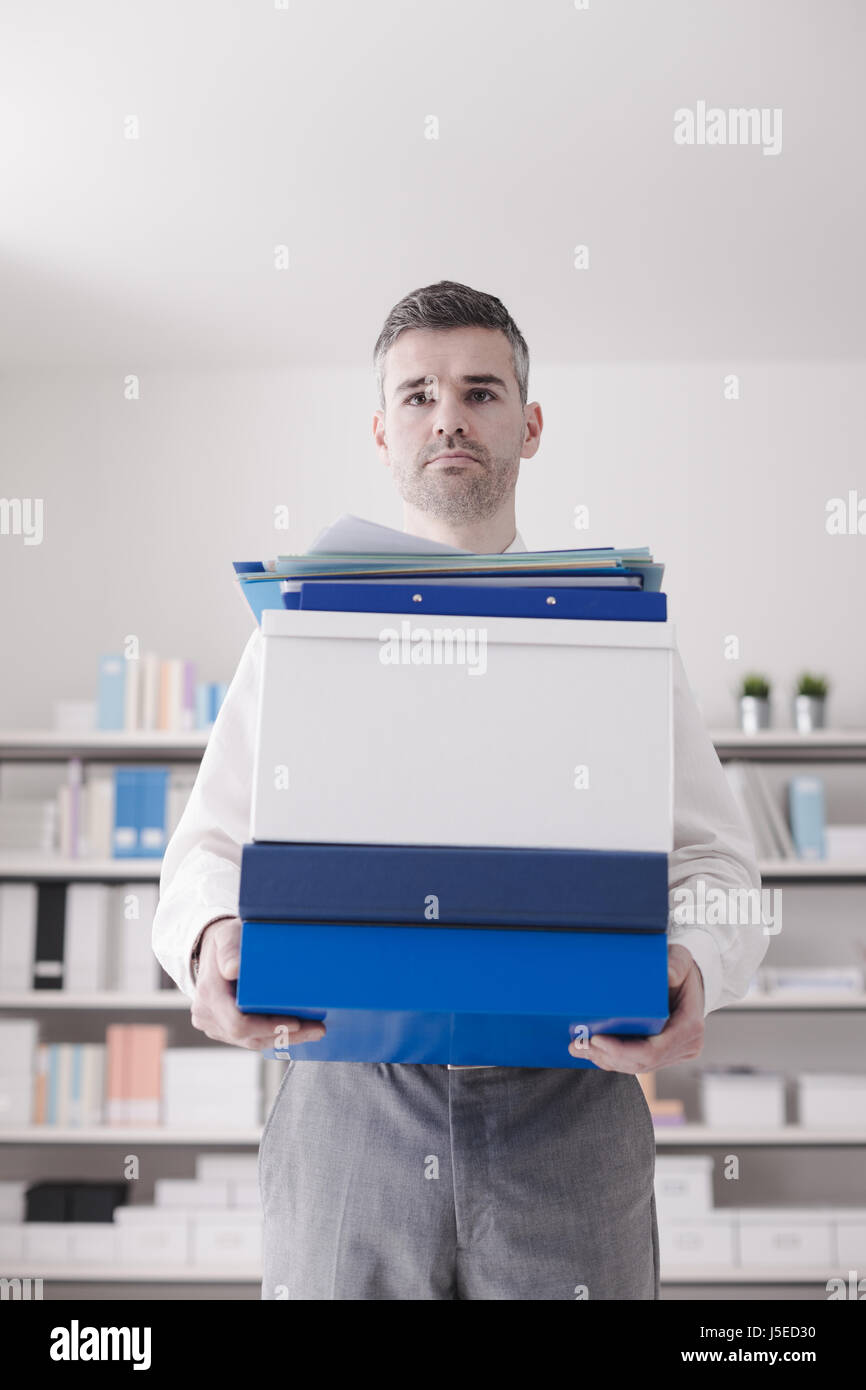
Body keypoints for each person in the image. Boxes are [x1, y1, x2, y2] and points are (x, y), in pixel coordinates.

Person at [152, 279, 767, 1300]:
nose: (448, 415)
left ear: (527, 427)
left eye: (480, 391)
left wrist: (696, 958)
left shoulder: (619, 636)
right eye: (417, 395)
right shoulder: (294, 636)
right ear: (381, 433)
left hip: (573, 1098)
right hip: (349, 1103)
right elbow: (206, 852)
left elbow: (715, 860)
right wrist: (211, 938)